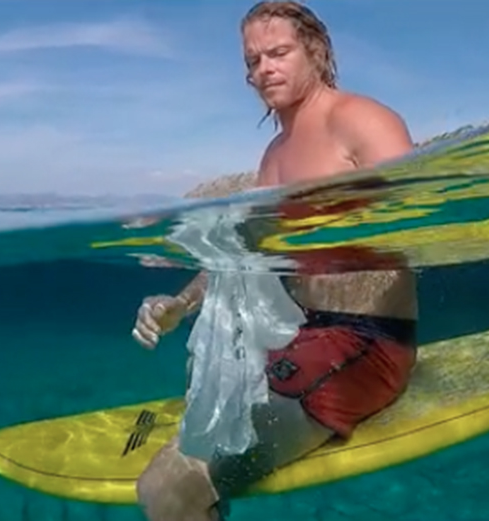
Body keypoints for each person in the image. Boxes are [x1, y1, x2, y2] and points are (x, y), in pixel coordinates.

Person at [130, 2, 419, 519]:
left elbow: (417, 215)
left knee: (174, 489)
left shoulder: (360, 119)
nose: (263, 69)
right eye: (252, 60)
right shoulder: (273, 156)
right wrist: (179, 303)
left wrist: (324, 222)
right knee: (175, 455)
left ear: (316, 51)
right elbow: (247, 255)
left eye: (278, 52)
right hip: (307, 338)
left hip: (367, 344)